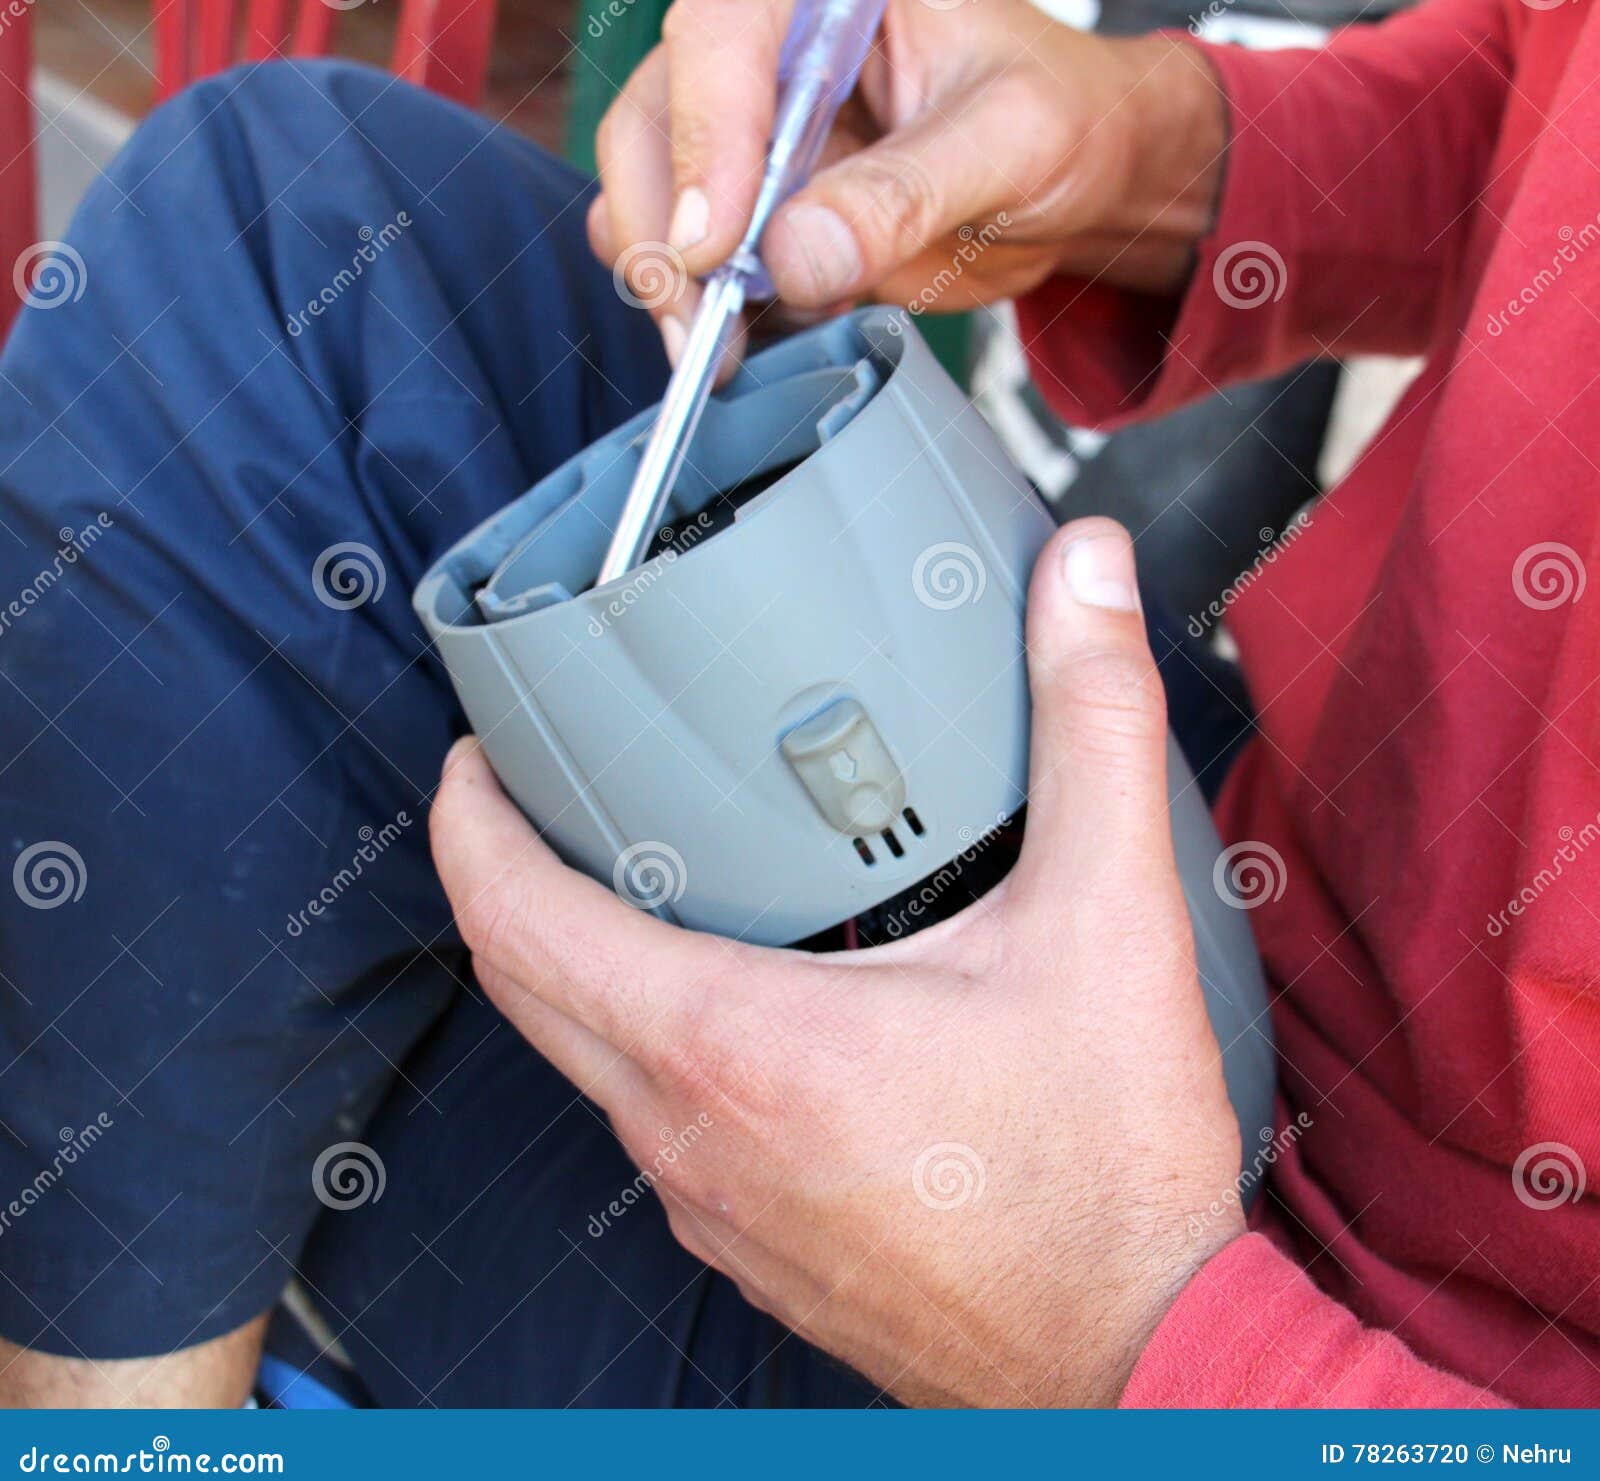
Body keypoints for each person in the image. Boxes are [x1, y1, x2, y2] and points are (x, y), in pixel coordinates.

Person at [0, 0, 1594, 1408]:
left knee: (239, 856)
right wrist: (1154, 154)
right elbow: (1538, 104)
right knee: (276, 240)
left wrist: (1116, 1350)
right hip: (1283, 887)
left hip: (1308, 1369)